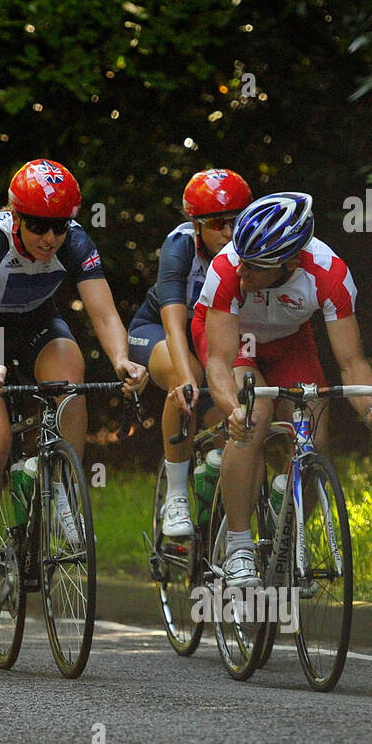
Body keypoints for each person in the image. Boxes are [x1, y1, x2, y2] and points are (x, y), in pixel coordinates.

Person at [0, 158, 147, 623]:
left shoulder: (75, 242)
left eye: (59, 226)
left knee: (70, 382)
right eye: (38, 225)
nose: (49, 238)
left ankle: (60, 488)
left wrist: (122, 360)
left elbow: (105, 316)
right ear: (14, 215)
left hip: (36, 324)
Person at [194, 192, 372, 587]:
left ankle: (288, 531)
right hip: (235, 342)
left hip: (289, 342)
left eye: (254, 267)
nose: (242, 274)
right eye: (242, 260)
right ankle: (238, 546)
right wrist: (231, 410)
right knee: (252, 417)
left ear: (288, 263)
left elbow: (352, 363)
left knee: (314, 434)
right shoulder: (226, 269)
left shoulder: (328, 273)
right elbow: (218, 360)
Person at [127, 169, 252, 538]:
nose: (229, 232)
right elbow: (172, 325)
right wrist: (184, 378)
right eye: (217, 223)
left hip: (211, 337)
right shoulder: (179, 246)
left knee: (228, 414)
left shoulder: (253, 246)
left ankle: (217, 512)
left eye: (237, 221)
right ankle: (177, 493)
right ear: (196, 225)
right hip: (159, 330)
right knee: (189, 379)